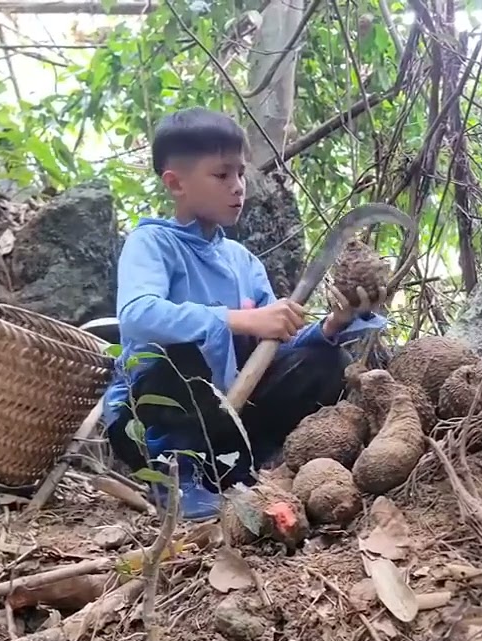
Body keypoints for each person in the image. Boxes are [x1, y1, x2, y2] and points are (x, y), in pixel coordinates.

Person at [102, 108, 388, 520]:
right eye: (222, 175)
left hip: (227, 420)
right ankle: (177, 477)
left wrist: (333, 325)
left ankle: (262, 462)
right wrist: (236, 319)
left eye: (240, 173)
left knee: (324, 360)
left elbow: (273, 347)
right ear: (176, 183)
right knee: (183, 356)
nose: (238, 186)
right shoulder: (151, 243)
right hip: (153, 421)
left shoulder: (243, 261)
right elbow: (137, 316)